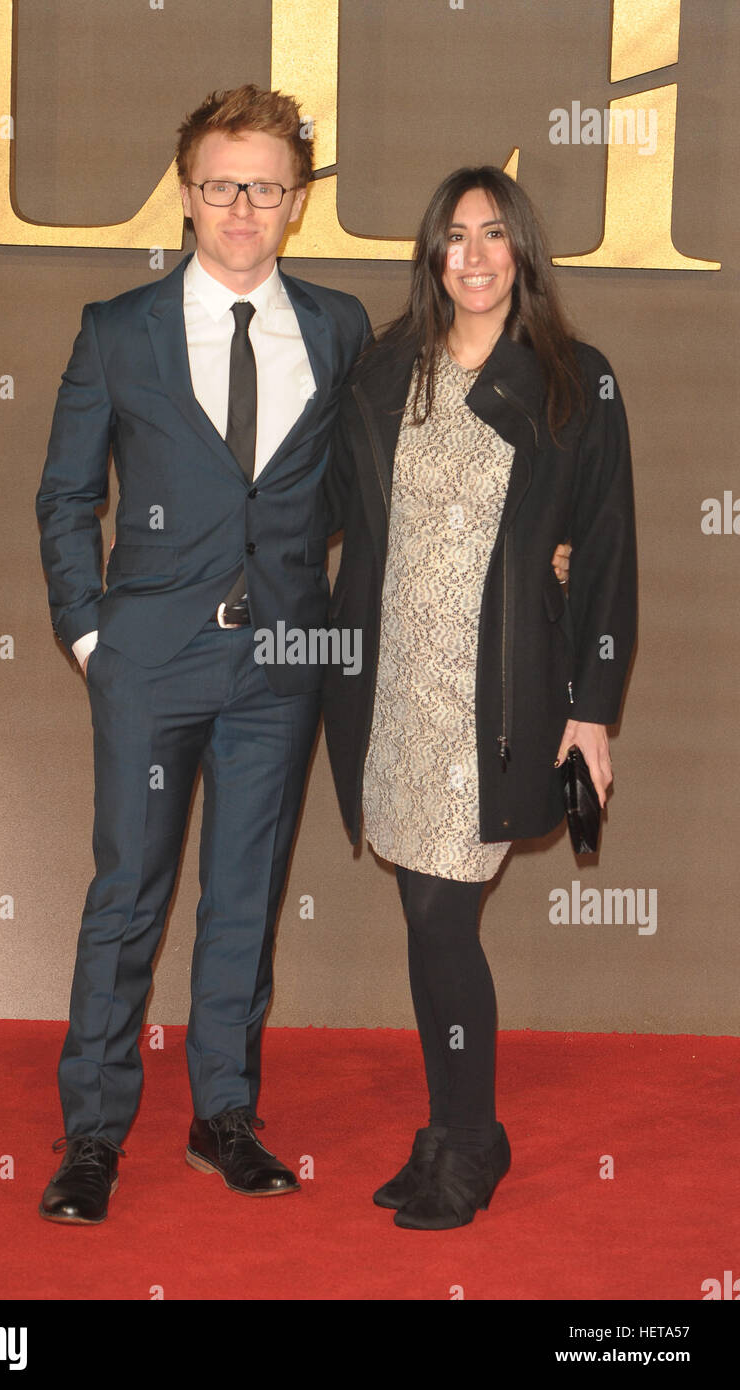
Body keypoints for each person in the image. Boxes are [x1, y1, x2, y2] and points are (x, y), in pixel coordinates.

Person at [34, 85, 372, 1223]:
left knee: (243, 900)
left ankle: (224, 1114)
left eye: (266, 187)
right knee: (127, 895)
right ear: (186, 194)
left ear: (296, 204)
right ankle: (91, 1135)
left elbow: (356, 500)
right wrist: (94, 637)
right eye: (223, 183)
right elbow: (67, 495)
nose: (242, 206)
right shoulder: (115, 329)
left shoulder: (337, 327)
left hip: (280, 665)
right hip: (149, 661)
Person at [322, 166, 637, 1231]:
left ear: (523, 252)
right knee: (423, 916)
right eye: (454, 236)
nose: (475, 256)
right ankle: (454, 1127)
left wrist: (590, 709)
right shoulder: (383, 376)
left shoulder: (570, 382)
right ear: (431, 255)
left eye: (494, 234)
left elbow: (604, 555)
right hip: (394, 691)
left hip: (496, 701)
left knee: (444, 916)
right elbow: (330, 511)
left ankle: (469, 1138)